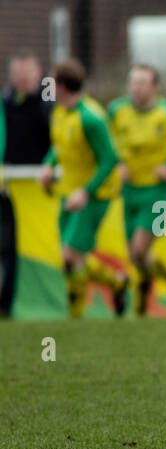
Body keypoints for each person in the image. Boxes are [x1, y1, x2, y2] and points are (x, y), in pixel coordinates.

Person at [37, 59, 129, 318]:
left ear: (63, 86)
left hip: (94, 194)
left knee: (71, 254)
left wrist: (86, 191)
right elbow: (60, 145)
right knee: (68, 258)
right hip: (70, 191)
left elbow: (110, 158)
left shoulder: (91, 118)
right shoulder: (60, 113)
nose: (49, 88)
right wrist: (47, 165)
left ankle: (75, 317)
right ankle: (117, 282)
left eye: (51, 83)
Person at [108, 64, 166, 315]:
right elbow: (109, 142)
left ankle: (143, 301)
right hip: (130, 189)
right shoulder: (117, 111)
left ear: (155, 87)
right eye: (132, 82)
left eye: (142, 83)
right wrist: (119, 163)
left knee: (138, 250)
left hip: (157, 191)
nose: (136, 88)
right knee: (137, 256)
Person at [1, 52, 54, 317]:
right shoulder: (7, 101)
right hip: (11, 185)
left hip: (42, 188)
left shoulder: (47, 97)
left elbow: (54, 131)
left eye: (27, 73)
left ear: (38, 72)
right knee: (8, 245)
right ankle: (8, 304)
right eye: (17, 73)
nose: (22, 79)